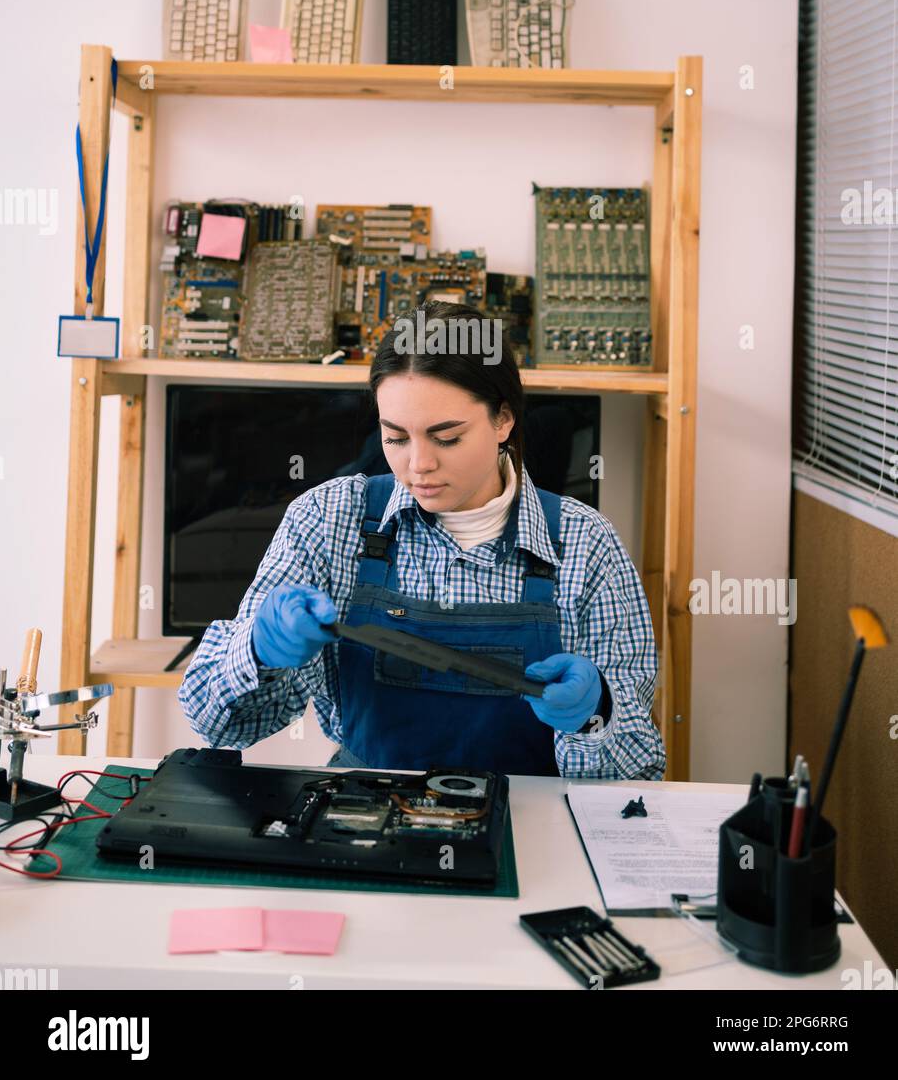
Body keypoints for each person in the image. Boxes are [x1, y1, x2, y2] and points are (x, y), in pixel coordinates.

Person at [178, 300, 665, 778]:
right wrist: (258, 649)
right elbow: (217, 725)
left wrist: (596, 714)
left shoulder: (584, 542)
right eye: (395, 437)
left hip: (526, 826)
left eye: (447, 437)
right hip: (363, 823)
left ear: (503, 419)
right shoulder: (328, 519)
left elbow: (638, 770)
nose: (419, 464)